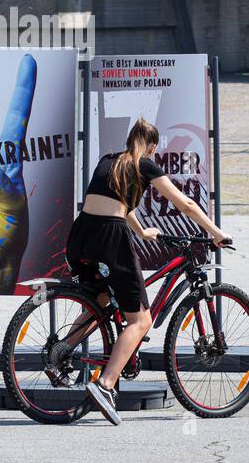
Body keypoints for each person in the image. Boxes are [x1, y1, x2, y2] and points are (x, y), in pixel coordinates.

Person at [65, 117, 229, 425]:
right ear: (152, 146)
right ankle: (105, 385)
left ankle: (60, 352)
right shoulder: (144, 165)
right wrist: (216, 232)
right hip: (108, 238)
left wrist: (142, 233)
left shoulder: (109, 161)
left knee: (100, 300)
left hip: (81, 235)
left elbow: (118, 208)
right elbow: (186, 205)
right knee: (140, 320)